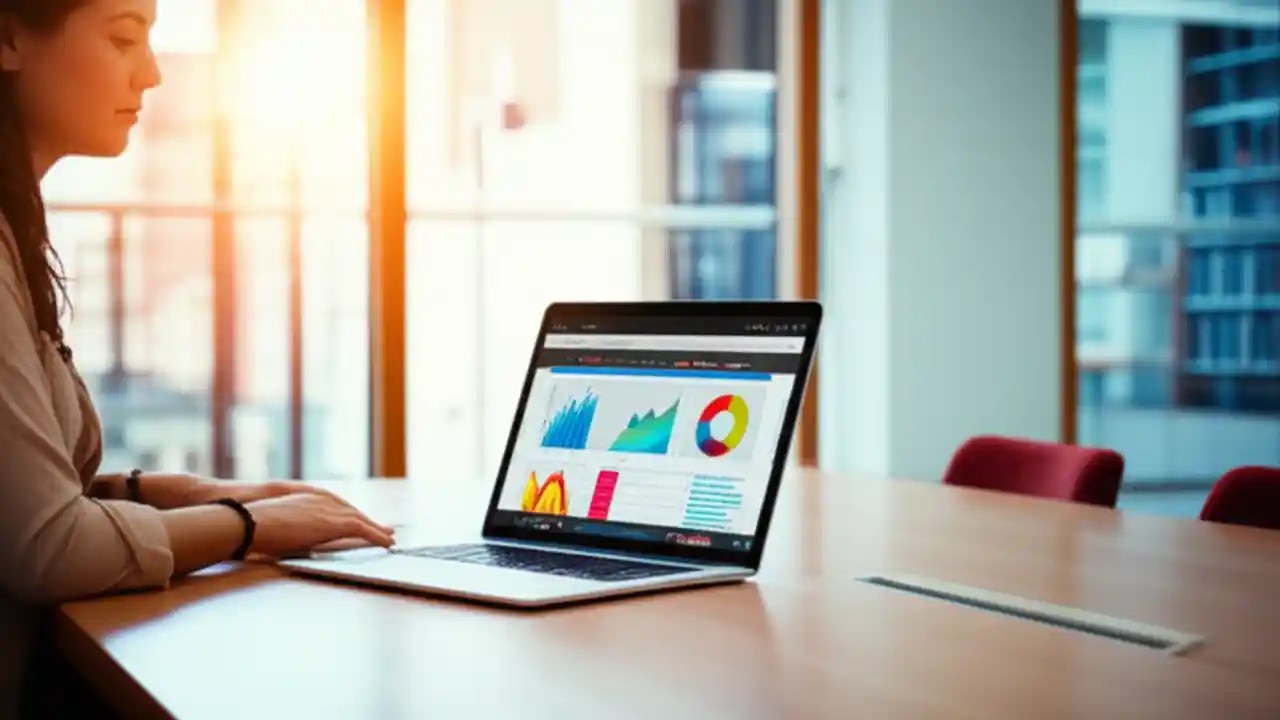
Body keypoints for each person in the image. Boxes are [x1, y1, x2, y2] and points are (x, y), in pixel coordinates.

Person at [0, 1, 396, 715]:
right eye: (124, 38)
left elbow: (20, 494)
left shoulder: (17, 227)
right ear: (8, 37)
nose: (150, 74)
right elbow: (45, 547)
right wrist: (251, 528)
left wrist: (181, 492)